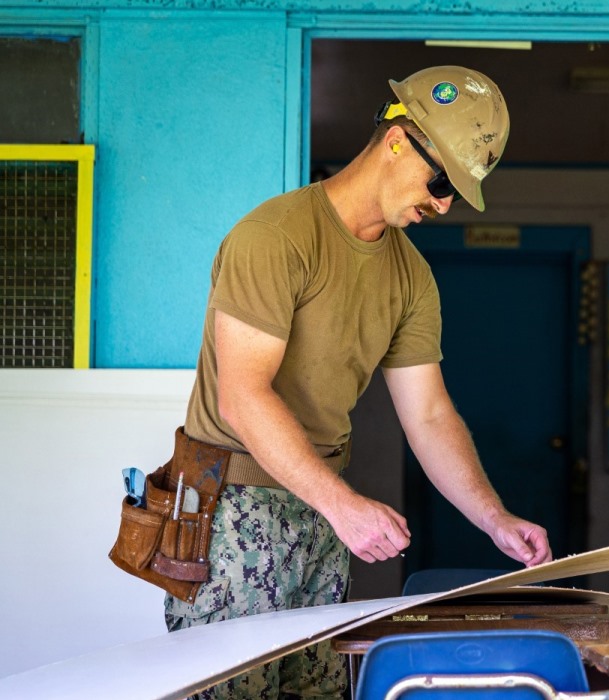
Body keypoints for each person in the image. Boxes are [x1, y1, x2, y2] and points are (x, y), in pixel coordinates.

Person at [168, 66, 553, 698]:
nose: (443, 204)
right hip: (230, 511)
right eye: (441, 181)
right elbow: (242, 395)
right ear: (399, 138)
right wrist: (343, 506)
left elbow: (428, 414)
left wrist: (493, 517)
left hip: (321, 512)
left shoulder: (412, 278)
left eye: (457, 190)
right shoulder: (274, 238)